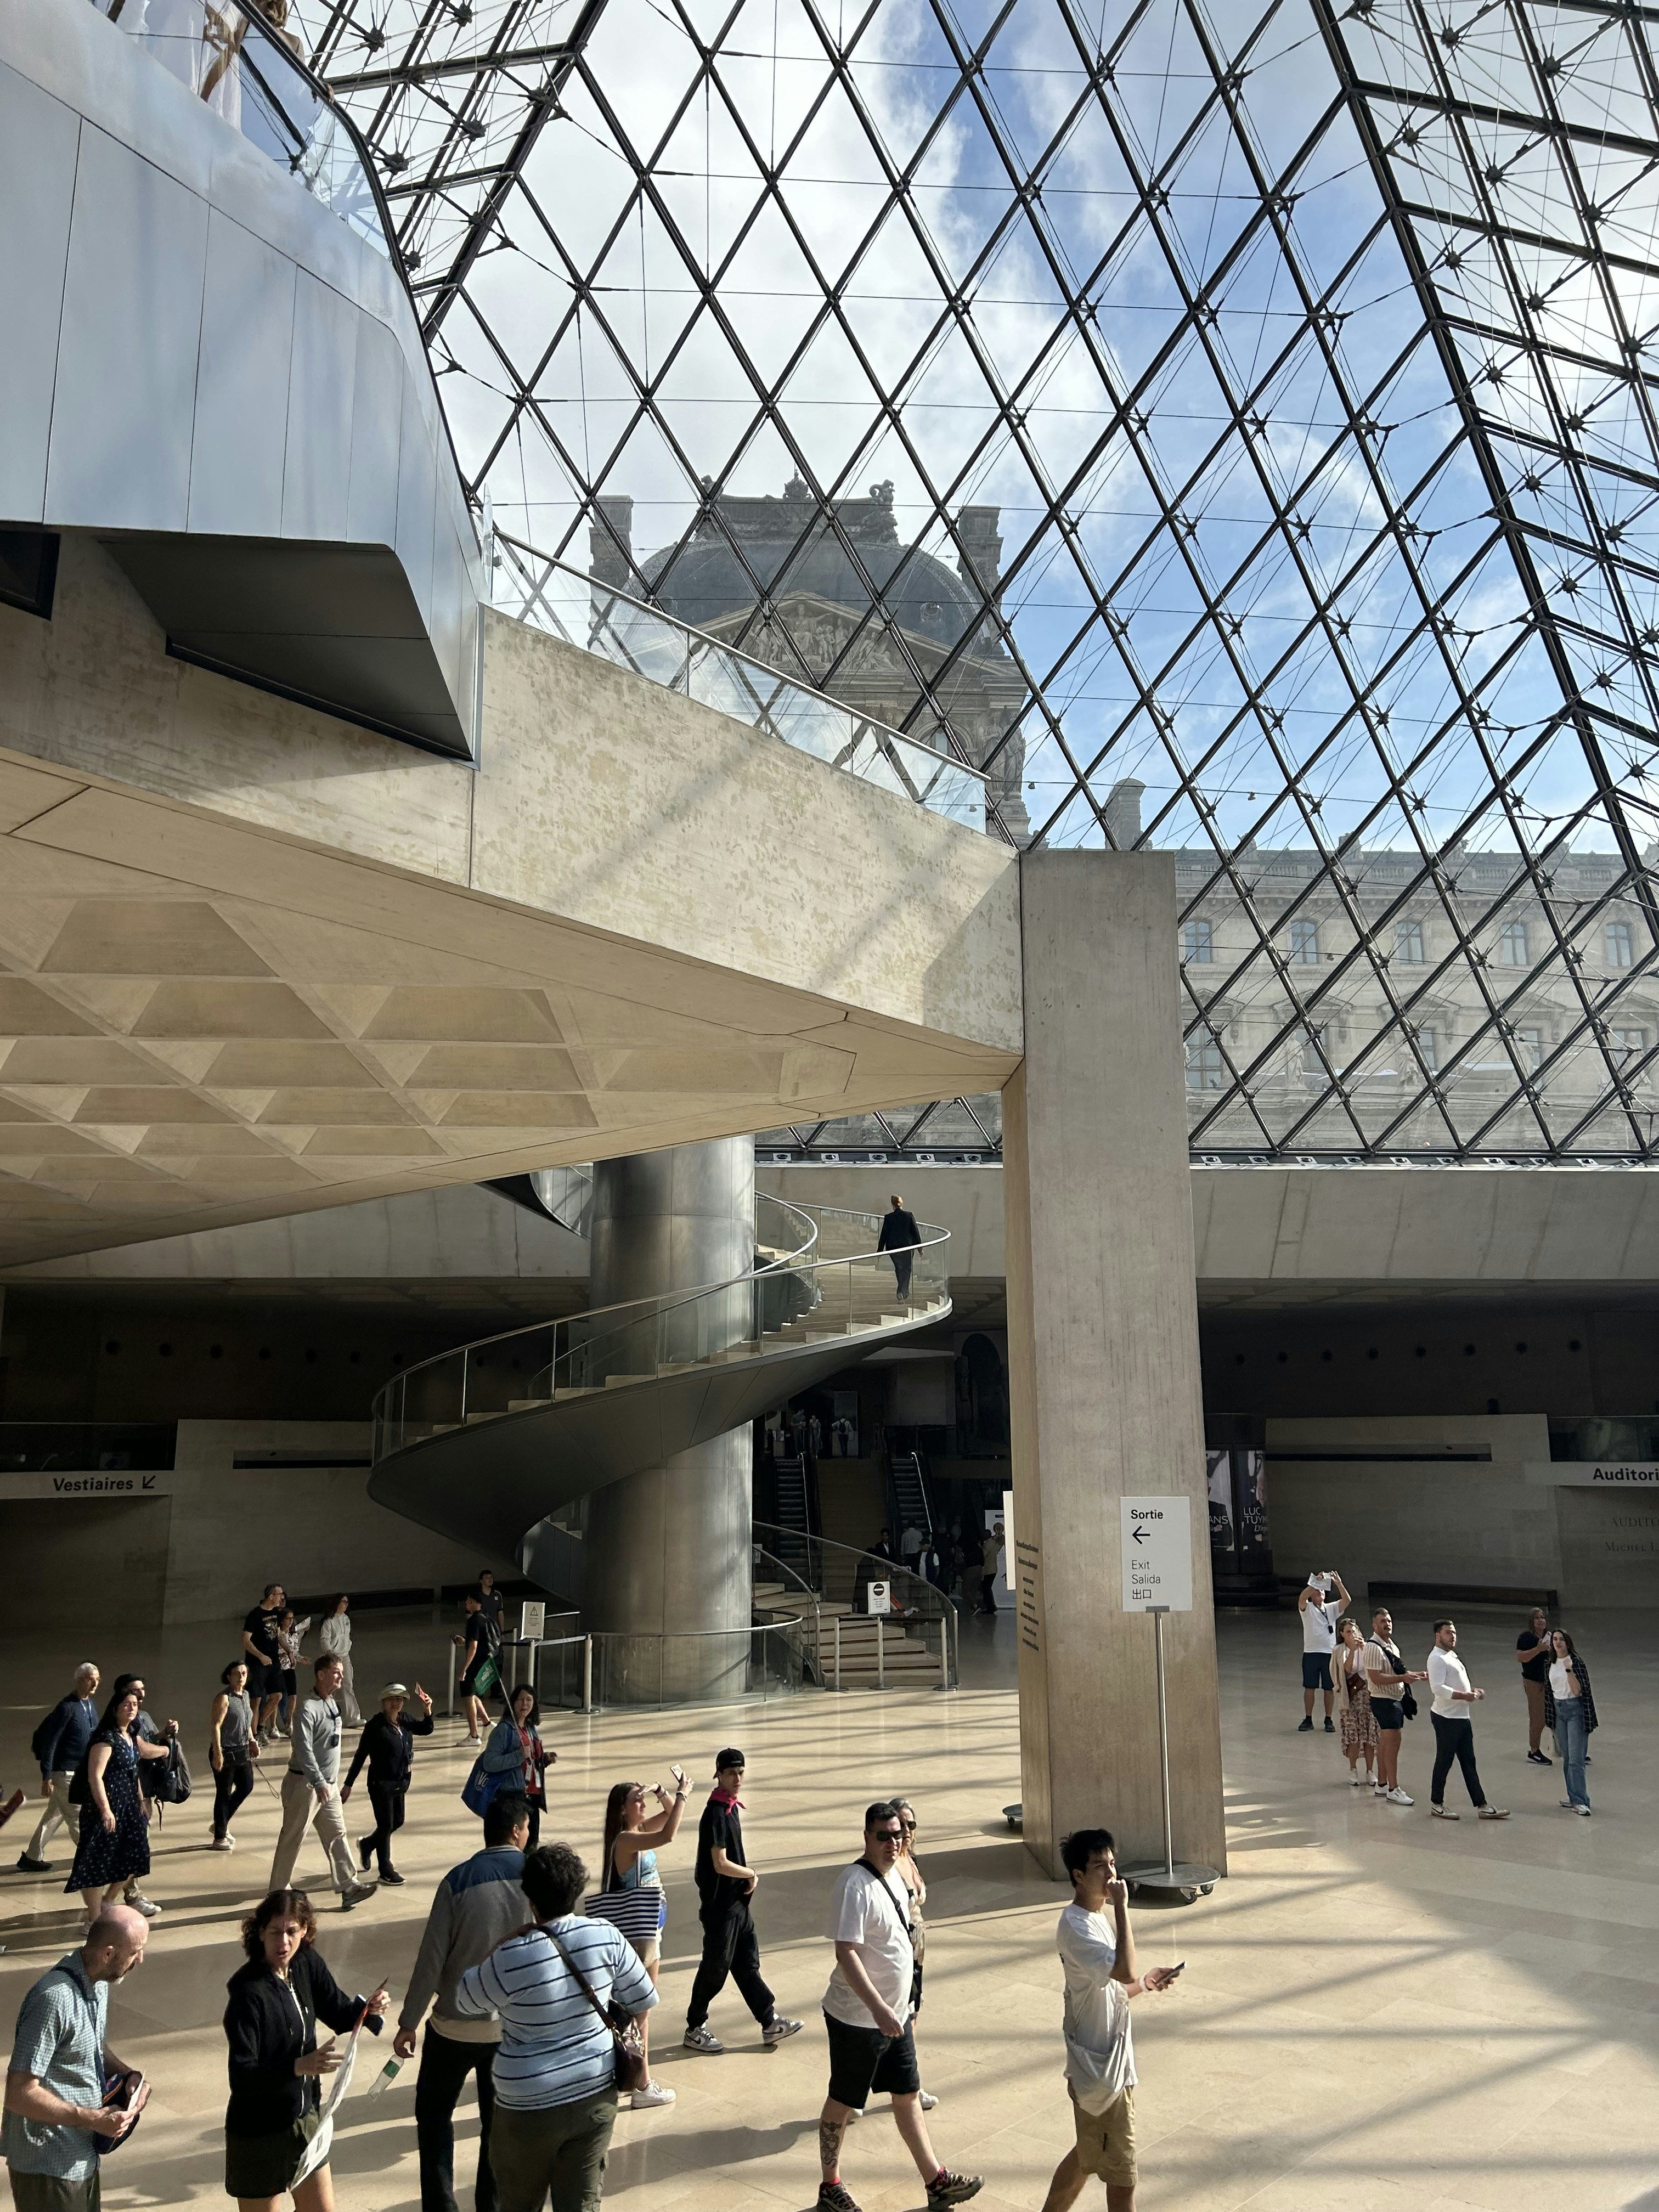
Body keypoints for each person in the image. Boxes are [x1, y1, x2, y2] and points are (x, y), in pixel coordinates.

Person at [453, 1841, 656, 2212]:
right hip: (595, 2095)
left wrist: (500, 1945)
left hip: (526, 2107)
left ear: (530, 1899)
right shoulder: (606, 1935)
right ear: (576, 1891)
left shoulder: (511, 1957)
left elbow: (465, 2000)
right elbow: (643, 1998)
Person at [815, 1802, 979, 2212]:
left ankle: (936, 2181)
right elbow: (846, 1953)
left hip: (896, 2015)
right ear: (867, 1838)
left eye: (899, 1835)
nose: (893, 1843)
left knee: (906, 2094)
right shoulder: (854, 1884)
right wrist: (878, 2009)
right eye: (883, 1836)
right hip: (858, 2019)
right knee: (844, 2101)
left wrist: (900, 2007)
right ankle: (830, 2186)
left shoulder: (894, 1875)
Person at [395, 1792, 533, 2212]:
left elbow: (431, 1959)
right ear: (516, 1831)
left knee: (434, 2117)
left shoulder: (457, 1881)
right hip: (508, 2031)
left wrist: (409, 2021)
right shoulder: (537, 1879)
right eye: (527, 1828)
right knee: (497, 2126)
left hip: (452, 2028)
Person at [1038, 1828, 1180, 2212]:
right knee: (1123, 2177)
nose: (1111, 1873)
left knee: (1087, 2156)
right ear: (1078, 1875)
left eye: (1113, 1863)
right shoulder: (1077, 1925)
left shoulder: (1093, 1917)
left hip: (1105, 2068)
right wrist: (1123, 1907)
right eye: (1100, 1866)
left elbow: (1116, 1985)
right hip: (1102, 2073)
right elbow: (1123, 1968)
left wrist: (1146, 1983)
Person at [223, 1887, 389, 2208]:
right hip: (259, 2133)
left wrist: (369, 2009)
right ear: (260, 1933)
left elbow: (338, 2011)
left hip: (305, 2119)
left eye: (291, 1932)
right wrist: (299, 2066)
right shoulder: (248, 1992)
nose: (283, 1942)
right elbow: (242, 2076)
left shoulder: (305, 1963)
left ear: (305, 1931)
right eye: (275, 1932)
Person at [2, 1904, 149, 2210]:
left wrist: (129, 2076)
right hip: (47, 2165)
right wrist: (94, 2119)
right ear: (108, 1954)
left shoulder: (99, 1983)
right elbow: (19, 2094)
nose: (140, 1960)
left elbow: (92, 2047)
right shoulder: (52, 1999)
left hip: (81, 2154)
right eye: (135, 1952)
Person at [683, 1749, 802, 2055]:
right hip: (721, 1907)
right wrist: (751, 1873)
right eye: (731, 1774)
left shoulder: (730, 1807)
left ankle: (769, 2022)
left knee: (747, 1964)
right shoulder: (716, 1813)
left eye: (741, 1773)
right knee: (715, 1967)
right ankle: (694, 2027)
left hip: (738, 1904)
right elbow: (720, 1863)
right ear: (719, 1774)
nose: (738, 1779)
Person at [593, 1764, 689, 2108]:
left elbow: (668, 1817)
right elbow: (670, 1834)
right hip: (640, 1933)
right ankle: (642, 2083)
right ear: (622, 1810)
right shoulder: (625, 1840)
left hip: (649, 1927)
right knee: (642, 2010)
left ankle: (629, 2075)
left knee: (637, 2009)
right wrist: (683, 1794)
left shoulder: (637, 1831)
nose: (643, 1803)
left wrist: (663, 1792)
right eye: (637, 1800)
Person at [268, 1655, 378, 1909]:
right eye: (336, 1672)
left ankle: (349, 1886)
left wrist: (329, 1783)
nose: (341, 1676)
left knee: (337, 1834)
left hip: (328, 1786)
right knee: (293, 1836)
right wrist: (318, 1782)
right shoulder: (307, 1708)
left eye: (341, 1672)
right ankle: (277, 1892)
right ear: (321, 1674)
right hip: (305, 1785)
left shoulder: (332, 1704)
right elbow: (303, 1749)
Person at [65, 1684, 177, 1922]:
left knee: (135, 1856)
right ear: (115, 1709)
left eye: (135, 1705)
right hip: (104, 1808)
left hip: (129, 1806)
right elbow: (95, 1776)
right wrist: (105, 1810)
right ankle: (94, 1919)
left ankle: (108, 1901)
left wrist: (141, 1800)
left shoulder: (131, 1735)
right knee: (96, 1865)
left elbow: (133, 1771)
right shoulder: (106, 1738)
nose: (131, 1709)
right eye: (126, 1705)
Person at [342, 1680, 434, 1884]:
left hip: (400, 1781)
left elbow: (426, 1729)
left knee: (398, 1821)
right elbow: (361, 1756)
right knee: (385, 1825)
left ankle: (367, 1844)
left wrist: (427, 1711)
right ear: (383, 1701)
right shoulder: (375, 1726)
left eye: (399, 1699)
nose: (396, 1703)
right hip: (380, 1783)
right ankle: (385, 1868)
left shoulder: (405, 1720)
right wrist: (348, 1784)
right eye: (392, 1699)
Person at [17, 1664, 100, 1876]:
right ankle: (94, 1861)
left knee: (54, 1815)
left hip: (78, 1772)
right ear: (79, 1680)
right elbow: (50, 1742)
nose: (95, 1683)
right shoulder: (67, 1708)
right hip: (64, 1773)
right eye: (90, 1679)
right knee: (77, 1816)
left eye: (98, 1679)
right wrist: (47, 1776)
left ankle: (32, 1857)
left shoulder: (90, 1705)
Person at [1425, 1621, 1509, 1821]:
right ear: (1438, 1635)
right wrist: (1465, 1696)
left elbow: (1456, 1683)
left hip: (1461, 1717)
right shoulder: (1436, 1658)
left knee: (1469, 1761)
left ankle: (1482, 1805)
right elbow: (1438, 1688)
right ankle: (1437, 1804)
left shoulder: (1451, 1655)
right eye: (1448, 1633)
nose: (1452, 1636)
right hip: (1447, 1718)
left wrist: (1473, 1692)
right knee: (1444, 1760)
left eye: (1454, 1633)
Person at [1363, 1606, 1428, 1806]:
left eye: (1389, 1621)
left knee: (1386, 1744)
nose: (1387, 1624)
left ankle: (1382, 1784)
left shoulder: (1391, 1646)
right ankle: (1394, 1789)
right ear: (1375, 1626)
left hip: (1395, 1698)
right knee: (1392, 1745)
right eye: (1383, 1621)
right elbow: (1375, 1677)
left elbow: (1395, 1671)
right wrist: (1402, 1678)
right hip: (1384, 1700)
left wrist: (1414, 1675)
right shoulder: (1373, 1647)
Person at [478, 1689, 554, 1849]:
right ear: (513, 1703)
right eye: (520, 1700)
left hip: (530, 1798)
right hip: (510, 1799)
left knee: (531, 1847)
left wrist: (544, 1759)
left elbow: (530, 1761)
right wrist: (518, 1756)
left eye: (529, 1700)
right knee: (512, 1847)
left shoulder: (530, 1729)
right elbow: (490, 1763)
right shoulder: (504, 1730)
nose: (524, 1704)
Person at [211, 1660, 261, 1852]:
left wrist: (252, 1740)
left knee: (247, 1786)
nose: (241, 1677)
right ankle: (219, 1836)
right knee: (223, 1793)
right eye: (237, 1674)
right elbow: (216, 1726)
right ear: (229, 1676)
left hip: (242, 1750)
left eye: (244, 1673)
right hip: (225, 1751)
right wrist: (218, 1753)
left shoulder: (246, 1695)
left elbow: (246, 1722)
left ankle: (221, 1822)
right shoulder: (224, 1698)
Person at [1544, 1629, 1596, 1816]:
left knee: (1576, 1759)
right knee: (1567, 1758)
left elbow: (1578, 1691)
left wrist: (1569, 1669)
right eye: (1555, 1639)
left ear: (1568, 1643)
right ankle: (1573, 1796)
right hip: (1559, 1711)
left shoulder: (1576, 1663)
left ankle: (1581, 1801)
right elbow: (1549, 1690)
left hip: (1575, 1710)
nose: (1558, 1643)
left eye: (1561, 1640)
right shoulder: (1549, 1664)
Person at [1297, 1568, 1348, 1733]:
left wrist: (1338, 1584)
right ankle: (1308, 1718)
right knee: (1310, 1686)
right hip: (1311, 1653)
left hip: (1329, 1654)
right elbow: (1302, 1598)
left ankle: (1328, 1719)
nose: (1320, 1593)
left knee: (1329, 1688)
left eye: (1322, 1591)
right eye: (1317, 1591)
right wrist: (1316, 1583)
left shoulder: (1331, 1609)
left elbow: (1347, 1600)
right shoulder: (1307, 1608)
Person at [1331, 1618, 1378, 1788]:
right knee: (1353, 1736)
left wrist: (1364, 1648)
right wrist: (1352, 1651)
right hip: (1350, 1697)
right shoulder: (1339, 1650)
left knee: (1369, 1735)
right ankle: (1353, 1769)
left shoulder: (1367, 1647)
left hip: (1368, 1696)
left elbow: (1373, 1666)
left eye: (1354, 1631)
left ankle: (1370, 1770)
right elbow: (1347, 1669)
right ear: (1342, 1634)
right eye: (1348, 1632)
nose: (1352, 1635)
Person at [455, 1593, 501, 1748]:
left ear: (472, 1601)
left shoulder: (474, 1620)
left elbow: (474, 1646)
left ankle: (474, 1735)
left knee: (468, 1695)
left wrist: (465, 1668)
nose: (466, 1604)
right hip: (486, 1661)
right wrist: (465, 1641)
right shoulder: (486, 1617)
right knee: (472, 1693)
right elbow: (481, 1640)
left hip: (476, 1663)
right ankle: (487, 1723)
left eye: (468, 1601)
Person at [243, 1584, 286, 1746]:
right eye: (280, 1594)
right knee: (256, 1700)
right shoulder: (255, 1615)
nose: (282, 1597)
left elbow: (279, 1634)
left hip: (273, 1662)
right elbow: (246, 1640)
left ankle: (261, 1726)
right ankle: (253, 1736)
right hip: (258, 1663)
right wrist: (261, 1656)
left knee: (277, 1695)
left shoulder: (276, 1613)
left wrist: (289, 1651)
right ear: (271, 1596)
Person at [1514, 1607, 1554, 1765]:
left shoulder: (1550, 1636)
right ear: (1532, 1622)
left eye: (1543, 1618)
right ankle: (1534, 1750)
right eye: (1537, 1618)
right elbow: (1521, 1658)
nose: (1541, 1620)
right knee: (1538, 1718)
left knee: (1557, 1715)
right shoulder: (1526, 1638)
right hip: (1534, 1683)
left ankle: (1565, 1748)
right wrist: (1539, 1649)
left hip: (1550, 1682)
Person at [318, 1598, 361, 1728]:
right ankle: (326, 1716)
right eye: (344, 1602)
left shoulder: (346, 1619)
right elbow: (325, 1639)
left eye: (347, 1602)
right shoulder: (329, 1621)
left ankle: (353, 1717)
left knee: (348, 1685)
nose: (346, 1605)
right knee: (332, 1687)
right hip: (334, 1657)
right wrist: (331, 1655)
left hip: (345, 1656)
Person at [274, 1610, 313, 1741]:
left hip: (289, 1668)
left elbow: (295, 1652)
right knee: (277, 1696)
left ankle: (289, 1723)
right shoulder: (277, 1633)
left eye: (292, 1618)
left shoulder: (294, 1635)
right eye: (288, 1619)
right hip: (278, 1668)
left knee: (293, 1695)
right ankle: (273, 1725)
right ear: (282, 1620)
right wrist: (283, 1654)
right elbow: (274, 1650)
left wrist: (301, 1659)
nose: (291, 1621)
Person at [877, 1194, 922, 1300]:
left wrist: (880, 1251)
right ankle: (902, 1291)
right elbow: (915, 1232)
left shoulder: (889, 1218)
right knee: (907, 1269)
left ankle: (903, 1292)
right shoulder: (909, 1216)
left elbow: (884, 1235)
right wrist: (920, 1248)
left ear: (892, 1205)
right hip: (907, 1247)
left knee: (899, 1269)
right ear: (902, 1204)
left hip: (893, 1248)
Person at [979, 1524, 1003, 1616]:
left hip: (988, 1569)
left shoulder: (988, 1544)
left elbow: (983, 1556)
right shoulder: (997, 1542)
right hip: (993, 1568)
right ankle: (991, 1607)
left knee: (986, 1589)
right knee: (988, 1588)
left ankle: (990, 1607)